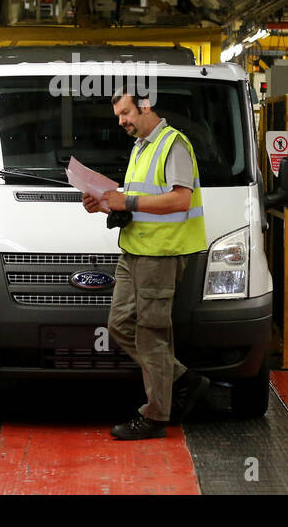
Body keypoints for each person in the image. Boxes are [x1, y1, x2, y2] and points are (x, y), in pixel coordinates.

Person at [82, 89, 210, 440]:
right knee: (120, 323)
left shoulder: (173, 144)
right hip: (135, 249)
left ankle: (155, 416)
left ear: (146, 106)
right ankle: (184, 379)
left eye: (126, 113)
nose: (122, 121)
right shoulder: (142, 146)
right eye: (119, 117)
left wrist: (129, 201)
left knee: (151, 334)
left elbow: (180, 199)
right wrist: (106, 203)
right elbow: (139, 199)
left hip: (161, 253)